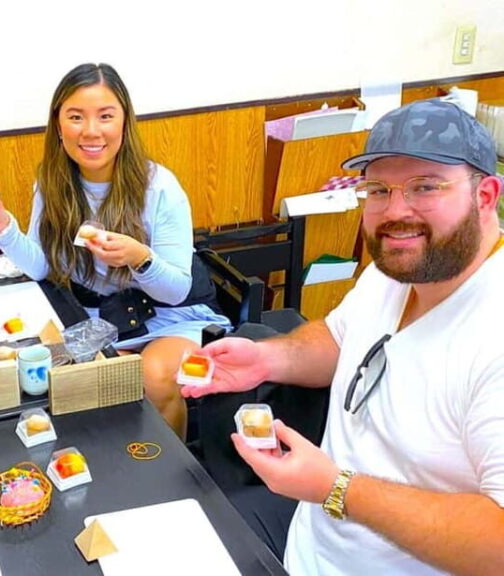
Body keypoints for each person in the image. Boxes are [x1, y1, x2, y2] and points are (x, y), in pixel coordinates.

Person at [182, 99, 504, 575]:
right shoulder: (395, 270)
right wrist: (269, 359)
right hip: (310, 534)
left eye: (425, 186)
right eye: (378, 189)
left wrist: (337, 489)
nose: (395, 212)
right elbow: (339, 339)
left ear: (485, 195)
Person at [0, 63, 231, 438]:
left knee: (153, 377)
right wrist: (2, 228)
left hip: (170, 315)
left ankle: (173, 469)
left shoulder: (159, 187)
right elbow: (42, 267)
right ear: (59, 125)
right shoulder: (52, 182)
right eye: (76, 117)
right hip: (100, 318)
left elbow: (175, 291)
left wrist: (139, 258)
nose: (91, 131)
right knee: (75, 386)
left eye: (105, 116)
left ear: (124, 122)